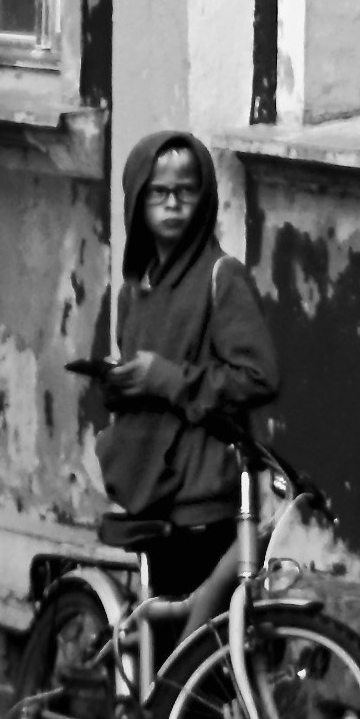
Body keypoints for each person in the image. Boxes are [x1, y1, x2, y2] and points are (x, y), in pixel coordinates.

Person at [78, 132, 278, 622]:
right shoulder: (134, 289)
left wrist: (165, 378)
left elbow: (257, 377)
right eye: (158, 192)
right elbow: (143, 389)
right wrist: (120, 385)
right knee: (164, 643)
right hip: (151, 491)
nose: (172, 204)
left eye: (185, 191)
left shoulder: (221, 278)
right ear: (136, 200)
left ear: (204, 197)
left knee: (207, 653)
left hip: (207, 499)